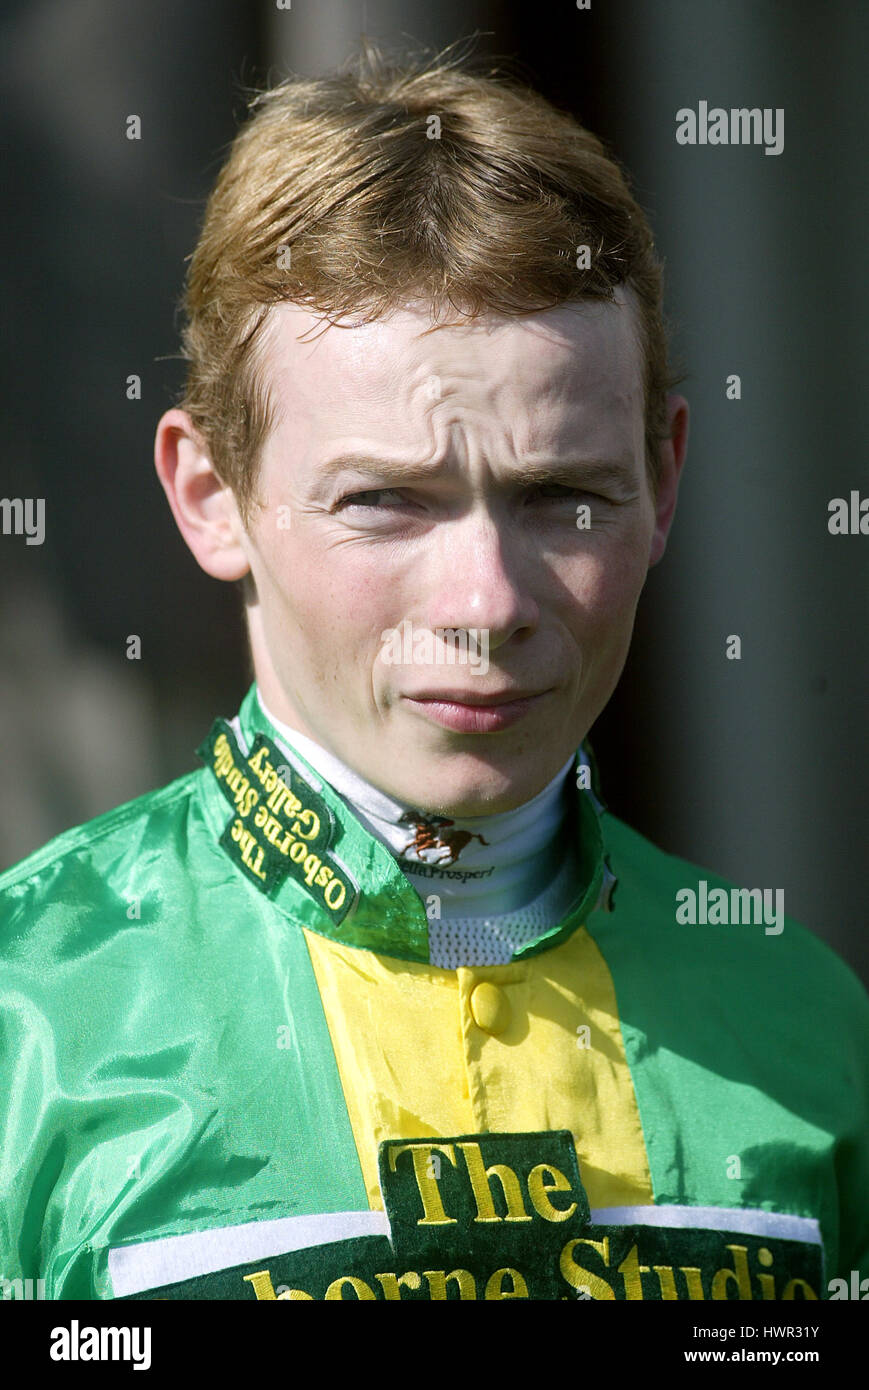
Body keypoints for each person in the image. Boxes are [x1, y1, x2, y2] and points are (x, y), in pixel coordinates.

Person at [1, 42, 866, 1304]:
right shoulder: (29, 1019)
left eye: (563, 498)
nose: (488, 605)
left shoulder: (809, 1028)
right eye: (386, 504)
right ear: (210, 495)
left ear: (664, 479)